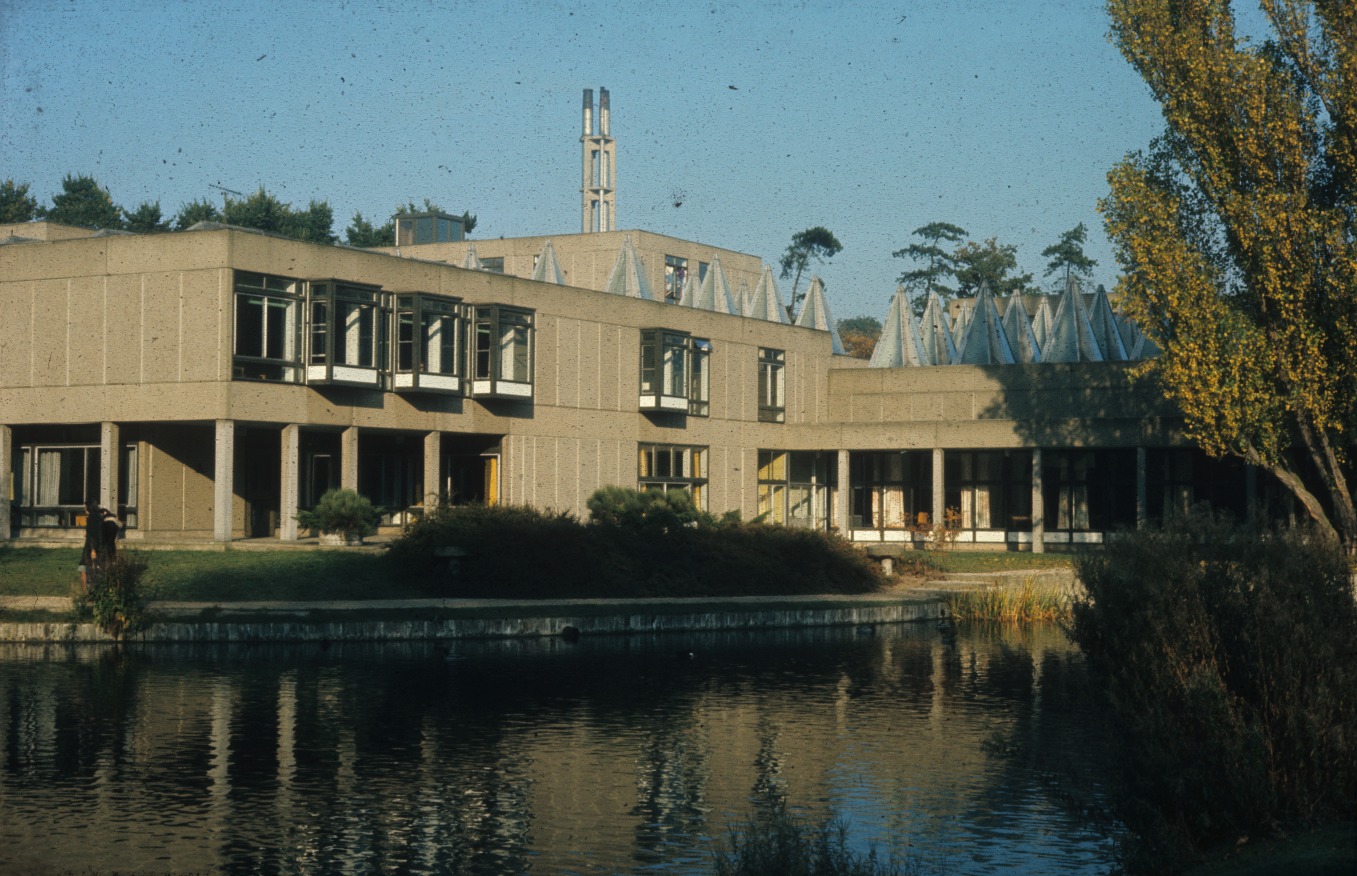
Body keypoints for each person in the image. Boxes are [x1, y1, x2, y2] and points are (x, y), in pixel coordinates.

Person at [79, 499, 101, 590]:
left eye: (85, 507)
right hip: (95, 546)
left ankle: (85, 592)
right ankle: (91, 590)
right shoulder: (98, 517)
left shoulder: (92, 518)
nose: (84, 509)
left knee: (83, 568)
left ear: (89, 507)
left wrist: (93, 550)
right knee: (92, 568)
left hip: (91, 547)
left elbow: (93, 535)